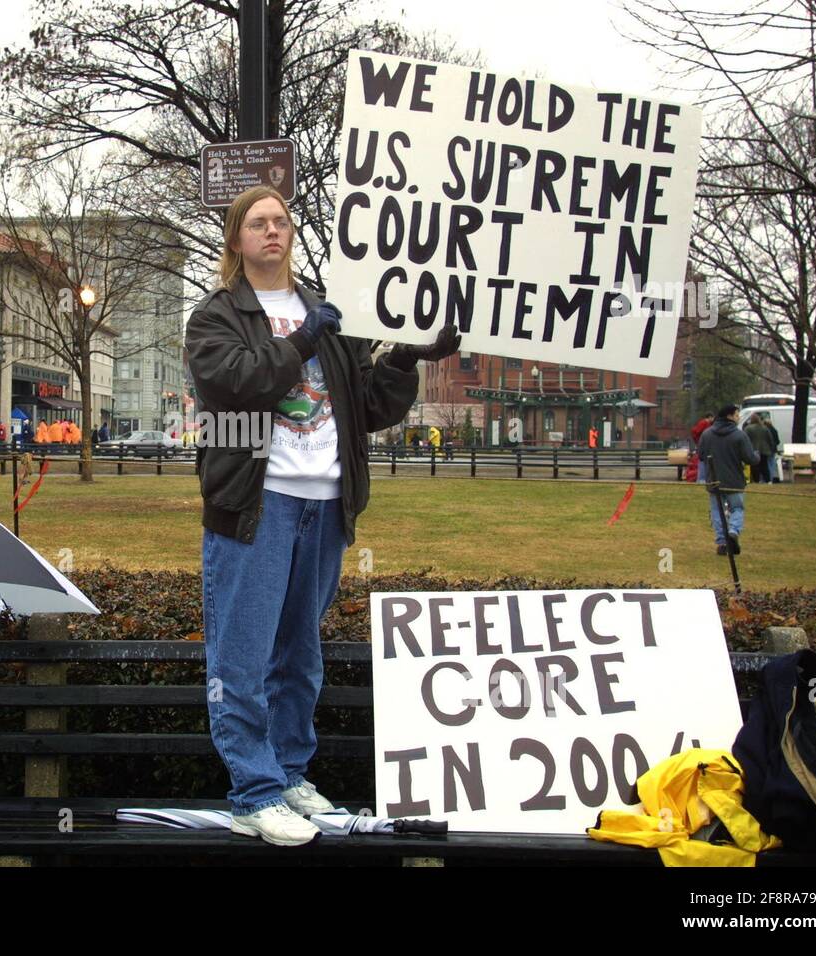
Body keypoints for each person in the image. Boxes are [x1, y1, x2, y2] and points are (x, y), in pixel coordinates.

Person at [184, 185, 461, 846]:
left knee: (299, 656)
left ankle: (287, 773)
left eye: (280, 221)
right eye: (258, 223)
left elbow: (365, 405)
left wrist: (405, 358)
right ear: (237, 240)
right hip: (257, 504)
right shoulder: (217, 316)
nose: (273, 231)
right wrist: (301, 342)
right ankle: (253, 791)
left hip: (325, 504)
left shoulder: (324, 309)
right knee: (243, 655)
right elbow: (237, 383)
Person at [697, 404, 760, 555]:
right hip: (734, 480)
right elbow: (750, 458)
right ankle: (733, 531)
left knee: (717, 511)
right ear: (730, 416)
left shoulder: (707, 434)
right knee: (737, 508)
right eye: (737, 415)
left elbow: (700, 455)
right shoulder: (739, 435)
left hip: (714, 480)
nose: (739, 418)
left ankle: (722, 542)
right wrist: (756, 455)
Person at [743, 413, 773, 483]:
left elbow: (745, 439)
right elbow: (770, 439)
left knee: (755, 466)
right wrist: (771, 448)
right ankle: (768, 480)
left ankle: (757, 480)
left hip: (753, 450)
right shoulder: (765, 428)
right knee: (764, 466)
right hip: (765, 450)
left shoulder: (748, 428)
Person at [762, 413, 782, 483]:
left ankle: (768, 479)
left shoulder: (764, 430)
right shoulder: (774, 430)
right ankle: (772, 477)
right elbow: (778, 441)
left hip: (767, 450)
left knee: (766, 464)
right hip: (773, 450)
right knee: (772, 464)